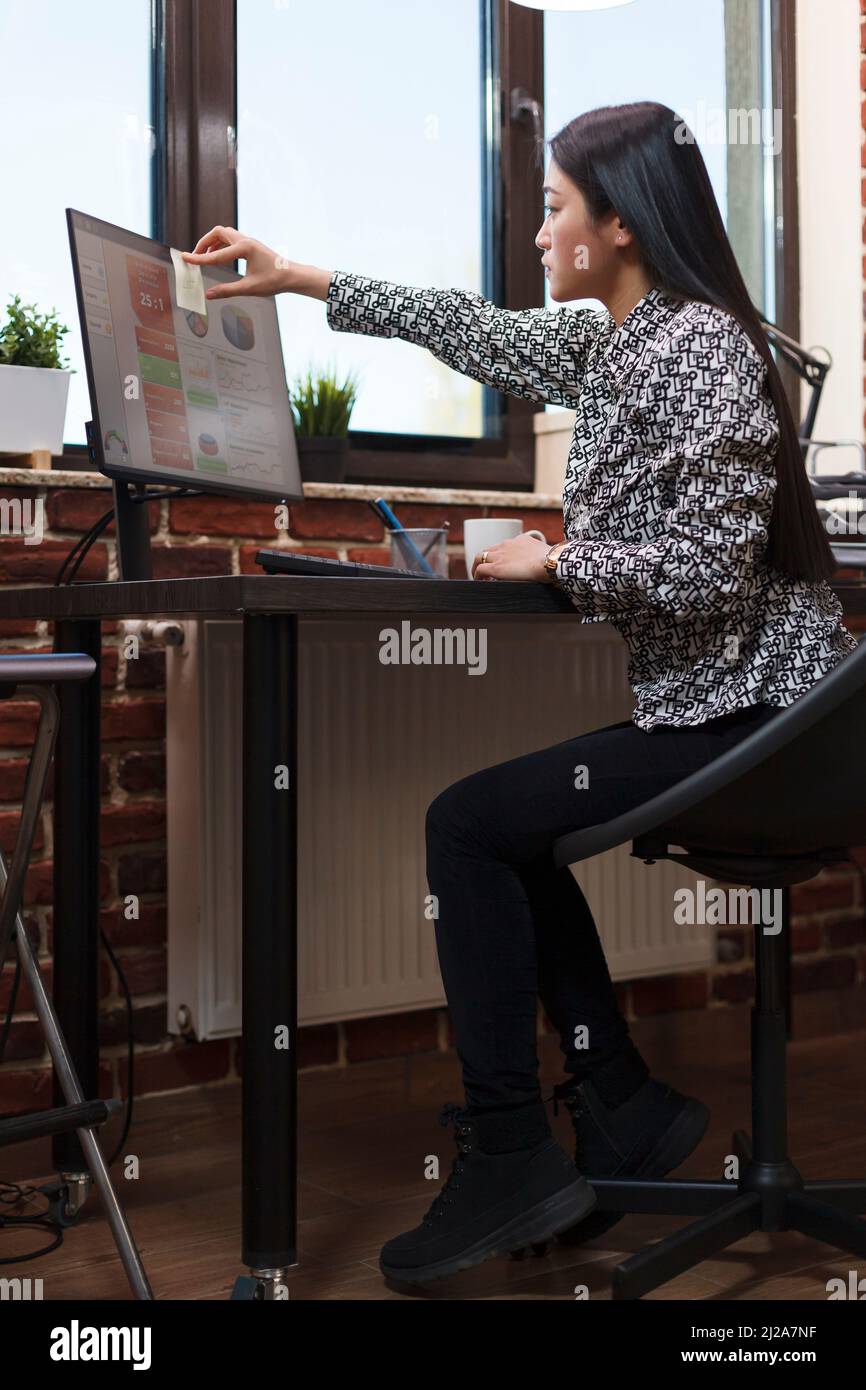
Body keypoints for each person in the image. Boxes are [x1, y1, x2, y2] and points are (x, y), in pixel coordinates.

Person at [185, 100, 858, 1288]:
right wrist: (294, 276)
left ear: (617, 224)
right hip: (716, 717)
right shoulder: (620, 344)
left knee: (469, 823)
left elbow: (704, 571)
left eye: (552, 208)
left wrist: (561, 559)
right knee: (505, 828)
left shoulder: (697, 344)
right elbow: (468, 329)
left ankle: (509, 1154)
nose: (537, 233)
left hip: (759, 735)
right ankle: (616, 1101)